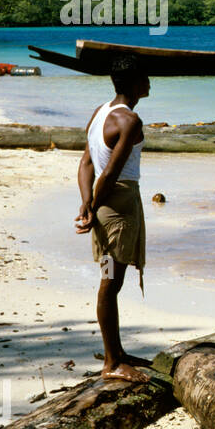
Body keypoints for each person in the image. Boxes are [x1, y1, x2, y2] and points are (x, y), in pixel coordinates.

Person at [74, 57, 151, 384]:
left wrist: (87, 203)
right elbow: (109, 172)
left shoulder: (100, 111)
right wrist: (94, 207)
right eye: (145, 78)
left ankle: (116, 352)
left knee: (112, 280)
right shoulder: (129, 120)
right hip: (117, 205)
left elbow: (86, 163)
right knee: (110, 282)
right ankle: (111, 362)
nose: (150, 83)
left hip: (106, 203)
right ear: (134, 83)